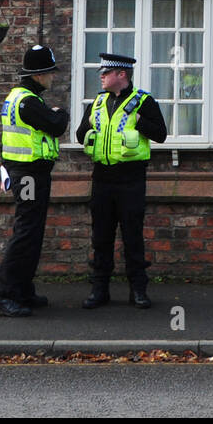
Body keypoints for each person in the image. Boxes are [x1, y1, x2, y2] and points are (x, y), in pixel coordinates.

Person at [77, 52, 166, 310]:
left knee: (132, 237)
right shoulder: (97, 102)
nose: (102, 77)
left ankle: (138, 290)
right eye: (102, 73)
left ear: (122, 75)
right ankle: (99, 290)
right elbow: (80, 134)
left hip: (131, 180)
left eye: (106, 73)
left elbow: (161, 134)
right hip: (102, 179)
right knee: (101, 237)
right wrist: (89, 125)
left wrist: (139, 121)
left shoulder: (144, 102)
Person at [0, 44, 70, 317]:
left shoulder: (18, 97)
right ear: (38, 75)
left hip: (25, 174)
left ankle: (22, 290)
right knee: (26, 233)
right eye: (50, 73)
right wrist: (62, 113)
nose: (53, 77)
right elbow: (57, 126)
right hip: (28, 176)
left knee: (31, 233)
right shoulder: (28, 102)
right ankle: (4, 294)